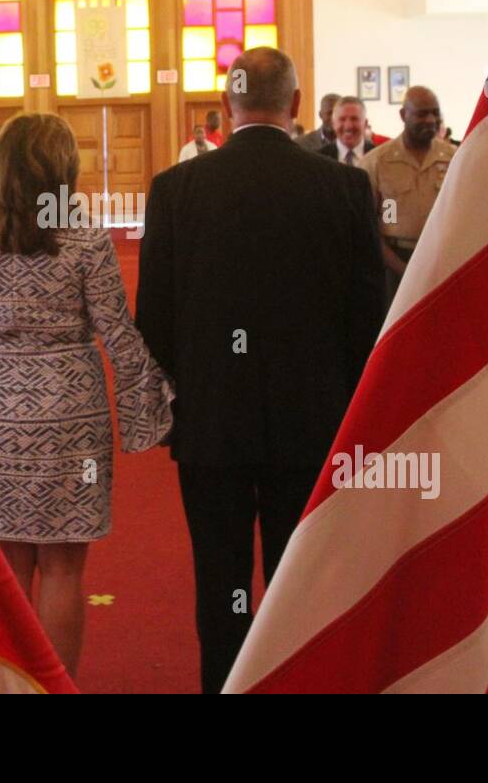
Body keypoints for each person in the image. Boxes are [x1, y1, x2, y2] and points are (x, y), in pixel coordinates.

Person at [136, 47, 386, 694]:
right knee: (298, 580)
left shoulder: (175, 189)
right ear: (300, 107)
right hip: (312, 422)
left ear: (226, 106)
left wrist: (196, 383)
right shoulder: (345, 187)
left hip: (211, 423)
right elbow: (368, 317)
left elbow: (154, 319)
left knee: (221, 585)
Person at [0, 113, 173, 676]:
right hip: (69, 412)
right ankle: (56, 689)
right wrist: (150, 412)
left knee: (8, 564)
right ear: (64, 169)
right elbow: (117, 331)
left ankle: (13, 685)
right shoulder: (85, 237)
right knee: (64, 567)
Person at [359, 86, 457, 304]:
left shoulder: (454, 158)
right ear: (404, 115)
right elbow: (369, 226)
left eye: (435, 113)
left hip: (441, 260)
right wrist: (401, 268)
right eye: (422, 114)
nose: (431, 120)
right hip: (394, 263)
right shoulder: (377, 162)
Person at [318, 96, 375, 166]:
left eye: (354, 119)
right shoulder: (319, 158)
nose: (348, 126)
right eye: (342, 119)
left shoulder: (379, 156)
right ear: (333, 124)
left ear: (365, 123)